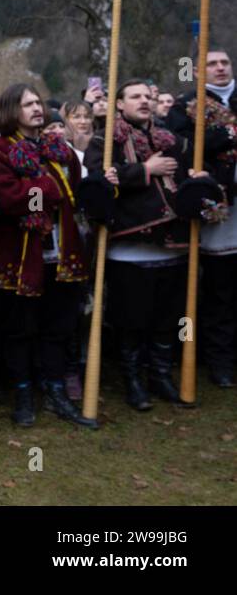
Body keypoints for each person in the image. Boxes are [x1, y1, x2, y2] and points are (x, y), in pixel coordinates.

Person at [0, 84, 97, 428]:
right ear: (11, 110)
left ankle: (56, 390)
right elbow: (13, 200)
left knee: (58, 327)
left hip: (61, 252)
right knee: (20, 329)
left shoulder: (58, 148)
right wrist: (46, 189)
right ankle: (23, 394)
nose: (36, 108)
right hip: (20, 255)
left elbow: (71, 190)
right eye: (27, 104)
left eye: (38, 103)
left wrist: (54, 189)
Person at [83, 80, 194, 410]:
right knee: (132, 319)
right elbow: (98, 180)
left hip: (174, 244)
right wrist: (145, 169)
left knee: (166, 318)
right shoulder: (104, 141)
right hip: (128, 246)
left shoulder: (172, 140)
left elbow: (187, 175)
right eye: (135, 97)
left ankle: (160, 376)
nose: (144, 101)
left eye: (148, 96)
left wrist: (199, 183)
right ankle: (132, 381)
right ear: (119, 104)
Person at [165, 49, 237, 388]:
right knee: (220, 291)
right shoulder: (188, 104)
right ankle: (220, 361)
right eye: (212, 64)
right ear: (197, 71)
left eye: (224, 62)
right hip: (220, 207)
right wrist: (228, 135)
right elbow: (185, 142)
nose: (220, 68)